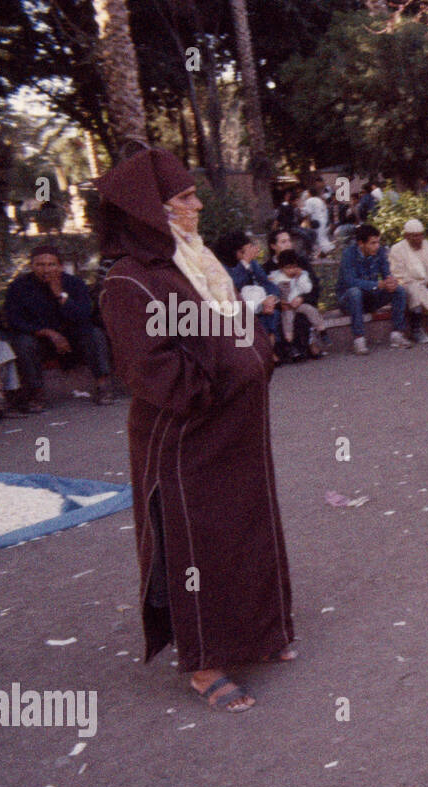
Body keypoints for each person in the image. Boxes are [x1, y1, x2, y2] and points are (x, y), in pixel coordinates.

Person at [96, 147, 294, 712]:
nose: (197, 204)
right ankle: (205, 662)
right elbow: (149, 368)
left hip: (237, 430)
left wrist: (256, 357)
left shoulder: (195, 258)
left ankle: (258, 635)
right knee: (195, 544)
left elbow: (235, 324)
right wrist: (215, 391)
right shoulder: (131, 280)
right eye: (184, 197)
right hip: (187, 437)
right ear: (150, 210)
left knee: (245, 529)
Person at [4, 244, 114, 412]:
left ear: (60, 266)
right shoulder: (19, 287)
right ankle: (36, 394)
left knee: (94, 334)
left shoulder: (74, 284)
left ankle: (103, 386)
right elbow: (14, 320)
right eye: (40, 265)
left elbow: (84, 315)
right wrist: (48, 333)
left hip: (73, 340)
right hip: (41, 340)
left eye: (51, 264)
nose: (46, 269)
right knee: (23, 343)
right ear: (31, 266)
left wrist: (60, 294)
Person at [337, 223, 409, 354]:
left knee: (399, 290)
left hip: (371, 298)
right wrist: (376, 285)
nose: (377, 246)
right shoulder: (349, 254)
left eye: (378, 242)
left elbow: (386, 271)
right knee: (355, 292)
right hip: (349, 301)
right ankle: (359, 339)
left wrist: (390, 281)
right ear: (361, 243)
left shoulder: (380, 251)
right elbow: (350, 281)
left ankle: (397, 335)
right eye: (372, 243)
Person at [215, 231, 284, 360]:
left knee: (270, 313)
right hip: (232, 305)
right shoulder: (221, 266)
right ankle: (263, 352)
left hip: (255, 302)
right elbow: (232, 286)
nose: (246, 255)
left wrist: (272, 298)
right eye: (243, 252)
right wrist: (244, 264)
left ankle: (267, 350)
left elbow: (266, 282)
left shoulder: (252, 263)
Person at [265, 229, 325, 356]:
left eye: (289, 241)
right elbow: (266, 291)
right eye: (283, 242)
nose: (288, 244)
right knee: (283, 317)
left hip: (300, 301)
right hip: (281, 305)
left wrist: (302, 298)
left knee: (304, 313)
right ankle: (288, 349)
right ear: (273, 246)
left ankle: (309, 344)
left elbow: (314, 285)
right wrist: (279, 303)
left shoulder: (300, 262)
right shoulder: (267, 268)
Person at [302, 176, 335, 255]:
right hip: (324, 220)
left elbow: (307, 213)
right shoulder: (320, 200)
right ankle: (327, 250)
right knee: (323, 237)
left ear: (309, 194)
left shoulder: (309, 201)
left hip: (317, 221)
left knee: (319, 238)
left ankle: (328, 250)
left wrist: (308, 222)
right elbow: (326, 210)